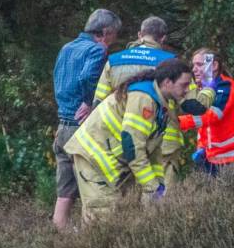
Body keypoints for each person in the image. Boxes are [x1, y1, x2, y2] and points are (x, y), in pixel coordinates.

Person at [63, 59, 196, 224]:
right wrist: (151, 186)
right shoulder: (144, 99)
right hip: (93, 157)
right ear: (168, 82)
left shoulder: (159, 103)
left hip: (108, 159)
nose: (188, 90)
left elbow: (153, 152)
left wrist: (159, 183)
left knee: (120, 215)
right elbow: (132, 146)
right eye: (184, 85)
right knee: (102, 217)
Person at [92, 16, 214, 186]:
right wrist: (210, 88)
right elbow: (194, 105)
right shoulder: (172, 63)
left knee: (123, 202)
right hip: (163, 142)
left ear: (140, 34)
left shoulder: (114, 61)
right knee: (158, 198)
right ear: (163, 38)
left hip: (120, 144)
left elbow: (98, 104)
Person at [51, 8, 122, 230]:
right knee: (92, 190)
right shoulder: (97, 50)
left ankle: (58, 239)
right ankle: (88, 246)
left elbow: (58, 79)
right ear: (106, 32)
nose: (114, 40)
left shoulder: (67, 48)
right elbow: (87, 76)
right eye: (114, 35)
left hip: (62, 127)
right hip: (81, 131)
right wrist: (90, 103)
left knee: (64, 194)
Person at [178, 48, 234, 172]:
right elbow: (204, 126)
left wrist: (178, 122)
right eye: (193, 65)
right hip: (214, 158)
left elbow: (212, 116)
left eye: (199, 64)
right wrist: (201, 148)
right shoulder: (204, 89)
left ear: (214, 65)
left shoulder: (225, 87)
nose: (194, 69)